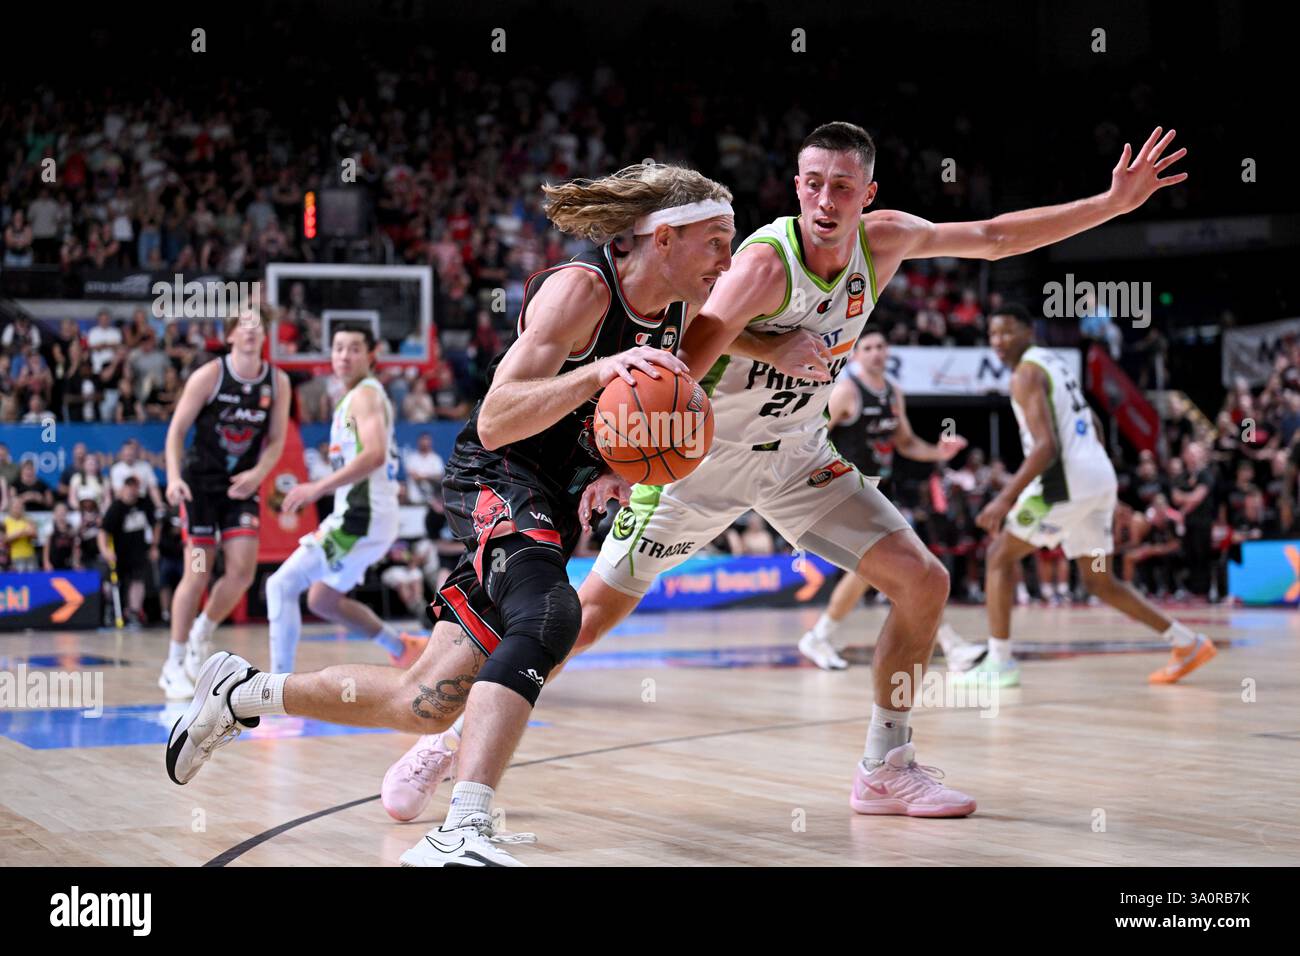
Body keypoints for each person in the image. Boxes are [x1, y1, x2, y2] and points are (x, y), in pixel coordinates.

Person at [384, 121, 1189, 834]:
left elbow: (994, 235)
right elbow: (676, 362)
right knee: (581, 623)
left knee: (924, 582)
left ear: (868, 192)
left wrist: (1108, 207)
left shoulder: (888, 239)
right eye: (811, 183)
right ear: (796, 187)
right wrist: (619, 464)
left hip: (799, 457)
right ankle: (447, 742)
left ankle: (885, 767)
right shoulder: (763, 265)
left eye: (843, 185)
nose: (825, 198)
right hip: (699, 466)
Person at [166, 162, 730, 870]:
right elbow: (494, 420)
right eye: (716, 242)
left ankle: (241, 693)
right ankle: (461, 828)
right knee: (552, 615)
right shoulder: (581, 291)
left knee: (424, 701)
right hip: (495, 473)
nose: (729, 261)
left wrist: (619, 466)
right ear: (666, 238)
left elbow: (714, 342)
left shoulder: (679, 310)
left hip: (549, 498)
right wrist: (595, 374)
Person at [953, 305, 1216, 687]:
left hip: (1063, 483)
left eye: (1007, 332)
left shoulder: (1026, 373)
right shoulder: (1053, 363)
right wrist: (1094, 473)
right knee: (1099, 581)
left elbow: (1045, 448)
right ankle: (1187, 642)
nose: (999, 341)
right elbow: (1091, 420)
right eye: (993, 334)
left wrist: (1004, 499)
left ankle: (1000, 663)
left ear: (1029, 332)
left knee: (998, 556)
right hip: (1096, 479)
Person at [796, 327, 975, 670]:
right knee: (908, 568)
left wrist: (939, 450)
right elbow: (812, 437)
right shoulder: (847, 391)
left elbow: (906, 444)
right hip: (846, 492)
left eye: (881, 346)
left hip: (879, 492)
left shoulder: (894, 393)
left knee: (879, 573)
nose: (876, 352)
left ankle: (818, 637)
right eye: (869, 347)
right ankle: (952, 647)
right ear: (857, 354)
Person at [261, 323, 418, 673]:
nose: (344, 356)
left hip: (361, 518)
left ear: (371, 355)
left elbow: (375, 454)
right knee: (323, 600)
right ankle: (402, 648)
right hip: (370, 518)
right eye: (338, 348)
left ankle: (276, 688)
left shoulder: (364, 395)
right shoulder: (354, 397)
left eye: (354, 348)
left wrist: (317, 488)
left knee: (280, 585)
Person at [161, 310, 292, 699]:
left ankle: (203, 631)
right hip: (199, 489)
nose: (251, 333)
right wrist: (172, 478)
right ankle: (173, 662)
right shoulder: (210, 375)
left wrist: (258, 474)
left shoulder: (277, 382)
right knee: (197, 572)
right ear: (231, 335)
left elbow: (277, 441)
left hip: (240, 489)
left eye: (258, 327)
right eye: (244, 327)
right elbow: (176, 431)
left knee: (242, 571)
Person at [99, 477, 159, 628]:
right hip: (119, 552)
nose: (132, 491)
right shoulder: (116, 507)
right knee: (110, 583)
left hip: (138, 552)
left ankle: (133, 613)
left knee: (138, 582)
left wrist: (154, 546)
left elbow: (156, 525)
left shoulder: (144, 503)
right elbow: (103, 531)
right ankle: (109, 610)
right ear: (124, 488)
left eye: (135, 487)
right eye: (129, 487)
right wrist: (105, 550)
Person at [3, 498, 39, 571]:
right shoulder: (6, 522)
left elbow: (34, 534)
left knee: (33, 579)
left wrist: (15, 534)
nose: (18, 509)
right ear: (11, 508)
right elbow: (5, 539)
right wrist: (23, 531)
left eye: (20, 506)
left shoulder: (28, 520)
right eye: (16, 507)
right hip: (14, 557)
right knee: (19, 580)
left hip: (30, 555)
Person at [43, 502, 80, 571]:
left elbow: (75, 547)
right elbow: (46, 547)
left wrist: (76, 562)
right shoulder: (50, 527)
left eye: (63, 511)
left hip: (68, 563)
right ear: (55, 513)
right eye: (59, 511)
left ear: (66, 513)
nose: (61, 513)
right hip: (54, 563)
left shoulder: (71, 528)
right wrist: (46, 562)